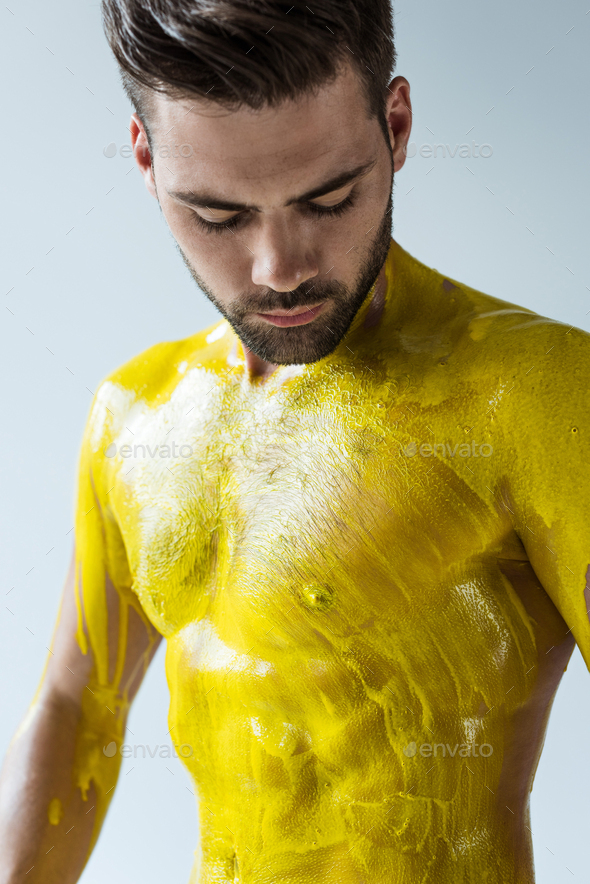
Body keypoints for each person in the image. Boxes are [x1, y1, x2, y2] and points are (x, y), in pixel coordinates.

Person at [0, 1, 588, 882]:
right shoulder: (133, 417)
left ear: (395, 127)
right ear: (146, 164)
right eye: (219, 217)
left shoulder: (534, 393)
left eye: (328, 199)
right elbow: (76, 708)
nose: (279, 269)